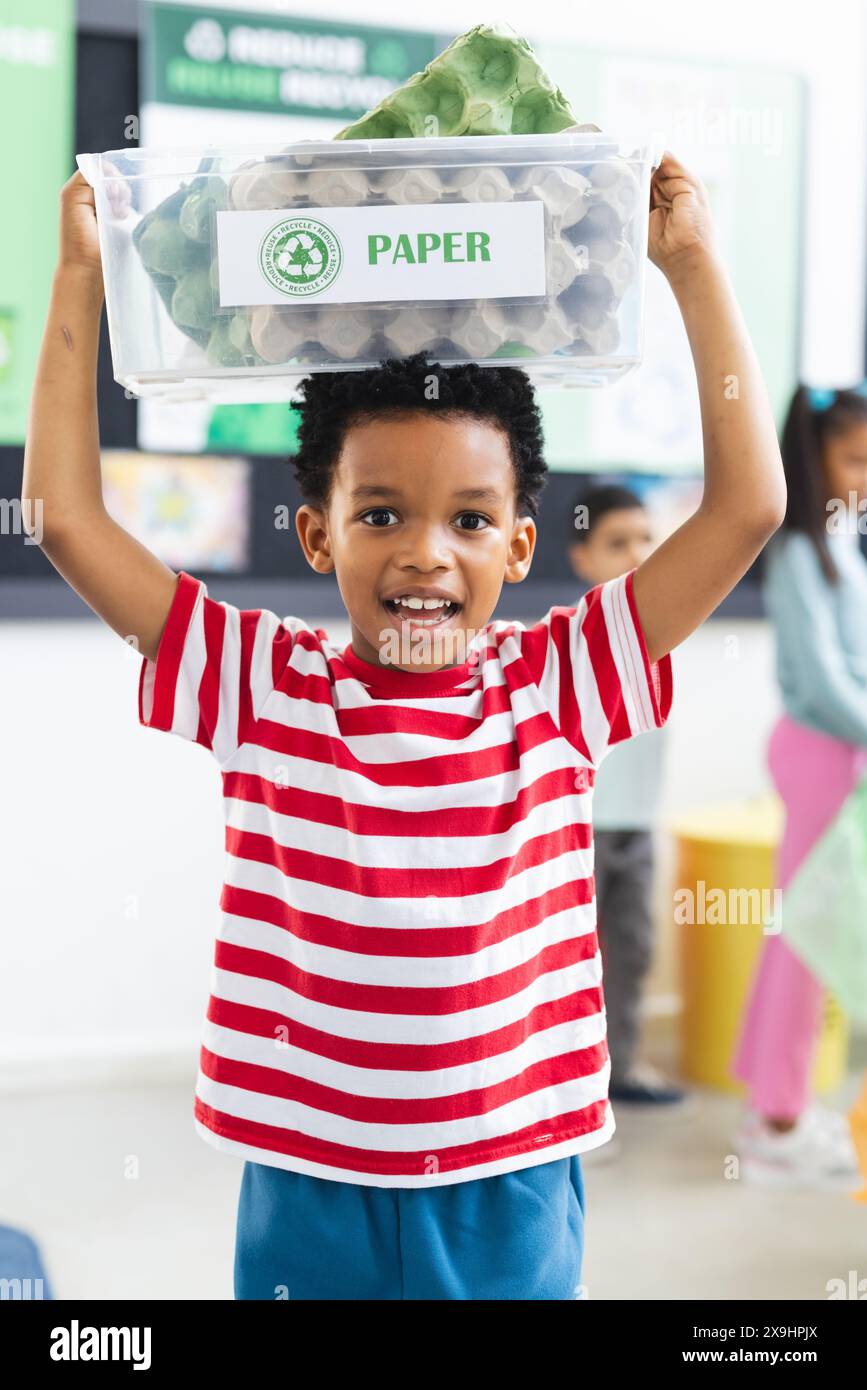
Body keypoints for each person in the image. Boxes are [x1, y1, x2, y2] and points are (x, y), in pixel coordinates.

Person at [22, 151, 785, 1300]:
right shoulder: (263, 681)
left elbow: (749, 507)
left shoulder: (559, 681)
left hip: (508, 1187)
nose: (427, 551)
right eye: (380, 512)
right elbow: (67, 520)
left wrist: (691, 267)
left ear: (519, 547)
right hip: (308, 1181)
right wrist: (79, 278)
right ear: (319, 534)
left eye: (472, 519)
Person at [732, 384, 867, 1189]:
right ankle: (777, 1119)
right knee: (809, 934)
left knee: (802, 930)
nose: (864, 475)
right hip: (821, 751)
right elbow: (821, 680)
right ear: (813, 459)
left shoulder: (841, 544)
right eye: (853, 458)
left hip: (840, 751)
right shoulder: (796, 549)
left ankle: (772, 1106)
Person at [568, 482, 684, 1110]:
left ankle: (623, 1067)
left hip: (635, 826)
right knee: (575, 959)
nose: (638, 554)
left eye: (647, 540)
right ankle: (569, 1082)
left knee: (633, 950)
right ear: (582, 558)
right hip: (581, 830)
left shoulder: (660, 636)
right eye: (618, 543)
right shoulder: (573, 644)